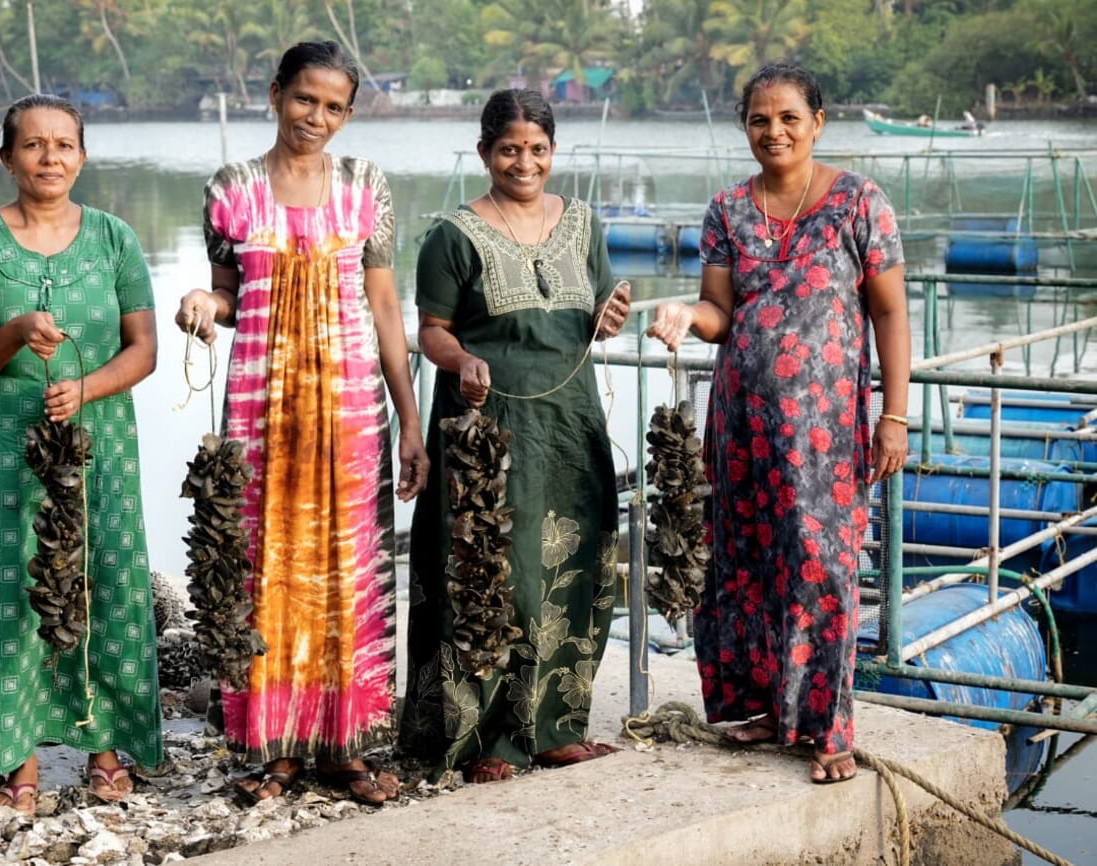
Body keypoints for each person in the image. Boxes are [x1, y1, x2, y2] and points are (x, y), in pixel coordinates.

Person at [174, 41, 428, 808]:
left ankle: (345, 747)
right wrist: (200, 305)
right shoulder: (231, 189)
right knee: (266, 569)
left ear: (348, 115)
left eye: (332, 106)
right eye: (303, 99)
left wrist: (409, 420)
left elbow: (386, 306)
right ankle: (273, 749)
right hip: (260, 408)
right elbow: (228, 293)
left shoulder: (366, 188)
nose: (314, 117)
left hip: (351, 411)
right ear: (276, 92)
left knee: (349, 572)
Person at [648, 63, 910, 784]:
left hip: (827, 433)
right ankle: (762, 708)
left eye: (790, 117)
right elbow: (719, 313)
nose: (775, 131)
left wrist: (894, 415)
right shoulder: (728, 209)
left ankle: (827, 730)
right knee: (743, 567)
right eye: (760, 120)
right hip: (740, 427)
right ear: (745, 127)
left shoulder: (859, 202)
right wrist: (680, 313)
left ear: (817, 122)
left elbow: (889, 311)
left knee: (821, 568)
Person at [0, 94, 163, 814]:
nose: (50, 158)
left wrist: (85, 388)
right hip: (1, 454)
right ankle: (15, 766)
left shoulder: (116, 239)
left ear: (83, 157)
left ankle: (106, 751)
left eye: (64, 145)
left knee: (106, 586)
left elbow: (145, 350)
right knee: (6, 599)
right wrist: (18, 330)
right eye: (33, 146)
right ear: (8, 159)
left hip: (99, 449)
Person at [398, 88, 632, 783]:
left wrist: (610, 316)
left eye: (537, 149)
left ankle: (557, 726)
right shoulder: (455, 234)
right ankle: (484, 739)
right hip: (487, 426)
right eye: (509, 149)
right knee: (492, 574)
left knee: (575, 565)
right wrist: (461, 360)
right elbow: (431, 330)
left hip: (569, 424)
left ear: (553, 153)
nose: (523, 162)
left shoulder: (583, 224)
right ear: (484, 154)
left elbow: (595, 312)